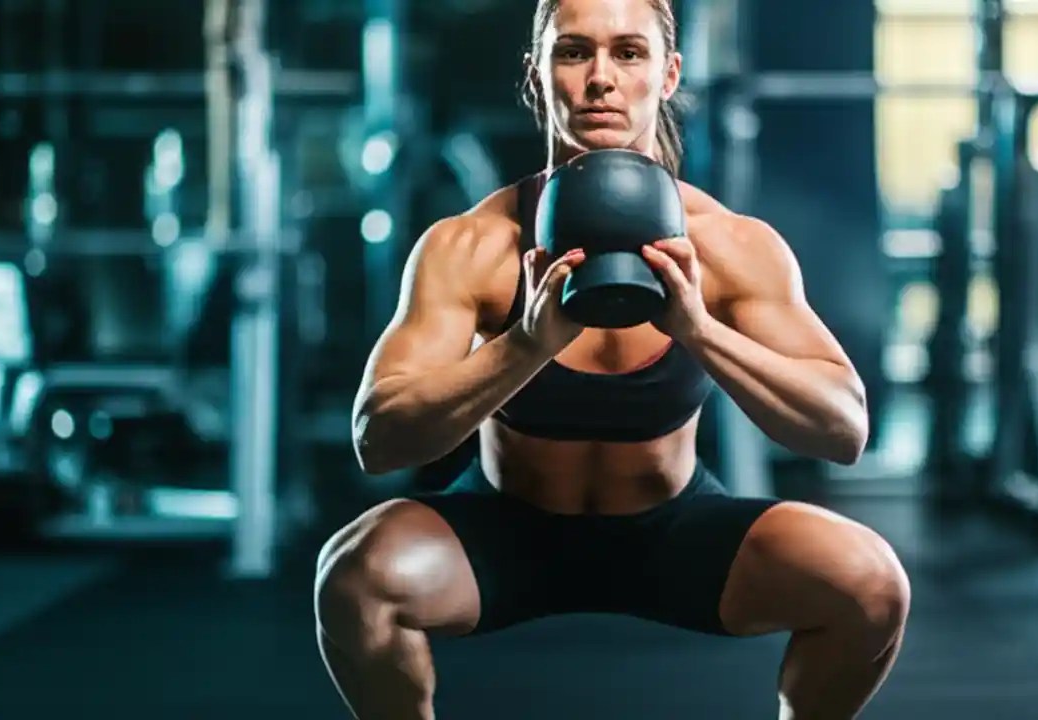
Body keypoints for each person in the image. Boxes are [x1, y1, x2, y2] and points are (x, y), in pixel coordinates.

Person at [314, 0, 910, 718]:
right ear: (537, 74)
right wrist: (527, 345)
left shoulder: (731, 246)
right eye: (573, 52)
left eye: (629, 52)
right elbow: (378, 440)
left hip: (673, 534)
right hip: (506, 533)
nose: (601, 78)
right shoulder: (470, 246)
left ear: (668, 74)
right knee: (354, 576)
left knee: (869, 583)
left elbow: (844, 430)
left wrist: (699, 331)